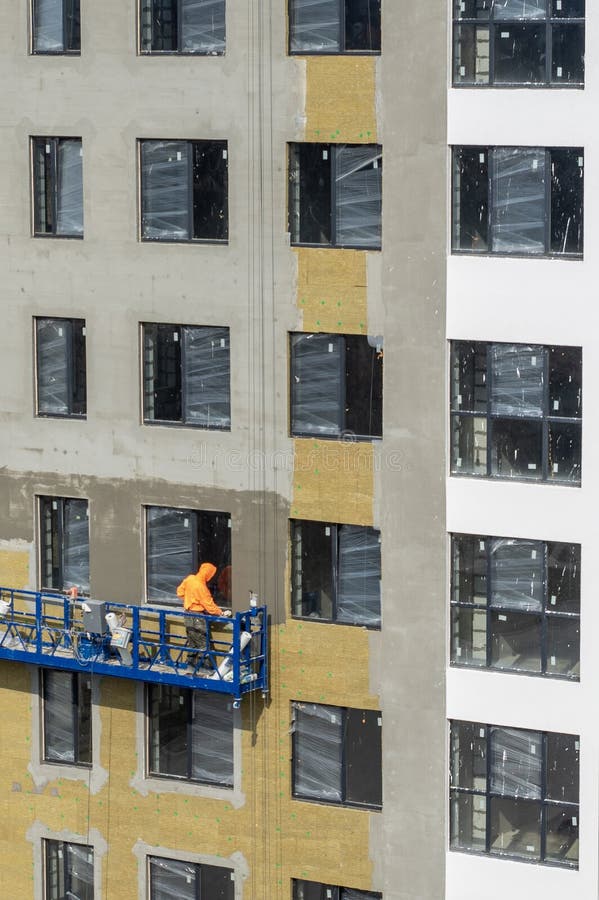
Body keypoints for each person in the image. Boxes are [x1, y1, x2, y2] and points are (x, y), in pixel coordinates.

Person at [176, 562, 231, 670]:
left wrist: (190, 599)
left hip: (187, 614)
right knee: (203, 644)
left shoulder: (190, 579)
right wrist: (221, 613)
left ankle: (190, 666)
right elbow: (209, 606)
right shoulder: (202, 587)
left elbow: (180, 592)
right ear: (208, 574)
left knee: (192, 642)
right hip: (197, 616)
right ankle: (205, 668)